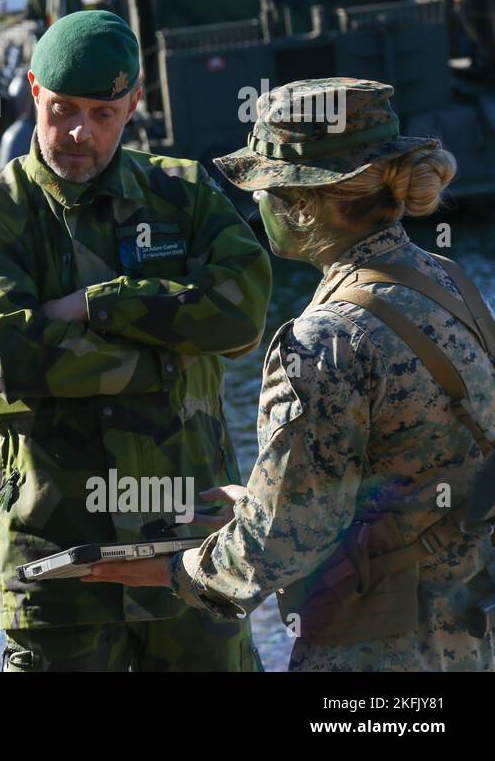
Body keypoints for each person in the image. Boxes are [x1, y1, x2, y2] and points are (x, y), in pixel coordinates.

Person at [87, 78, 495, 671]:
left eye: (263, 187)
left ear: (302, 204)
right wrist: (259, 501)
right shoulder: (450, 282)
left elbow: (282, 541)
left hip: (376, 650)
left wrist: (174, 571)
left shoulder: (323, 341)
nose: (255, 202)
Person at [0, 9, 273, 671]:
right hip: (61, 552)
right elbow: (8, 354)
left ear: (134, 105)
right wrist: (166, 361)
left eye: (102, 114)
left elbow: (241, 316)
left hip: (192, 537)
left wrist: (102, 304)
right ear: (33, 92)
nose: (78, 132)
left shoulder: (182, 195)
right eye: (63, 109)